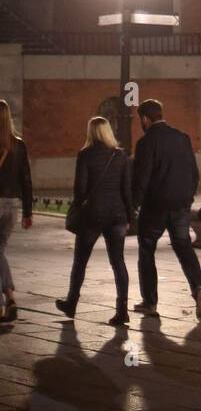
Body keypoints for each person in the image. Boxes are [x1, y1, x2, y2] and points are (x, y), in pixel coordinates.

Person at [132, 98, 201, 319]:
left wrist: (133, 206)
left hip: (155, 206)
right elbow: (194, 174)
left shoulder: (146, 143)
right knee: (184, 247)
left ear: (145, 119)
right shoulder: (182, 138)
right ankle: (199, 288)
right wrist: (188, 199)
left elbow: (142, 179)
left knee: (147, 250)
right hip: (180, 205)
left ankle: (150, 302)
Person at [55, 115, 133, 326]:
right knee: (118, 262)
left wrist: (78, 203)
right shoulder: (120, 156)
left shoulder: (85, 155)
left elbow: (80, 190)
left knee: (80, 262)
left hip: (92, 215)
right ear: (108, 132)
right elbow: (127, 189)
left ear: (91, 132)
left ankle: (71, 303)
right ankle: (122, 310)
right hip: (116, 215)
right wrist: (129, 216)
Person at [0, 99, 33, 324]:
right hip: (12, 204)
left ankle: (6, 303)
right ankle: (10, 298)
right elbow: (26, 180)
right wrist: (28, 212)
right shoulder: (19, 144)